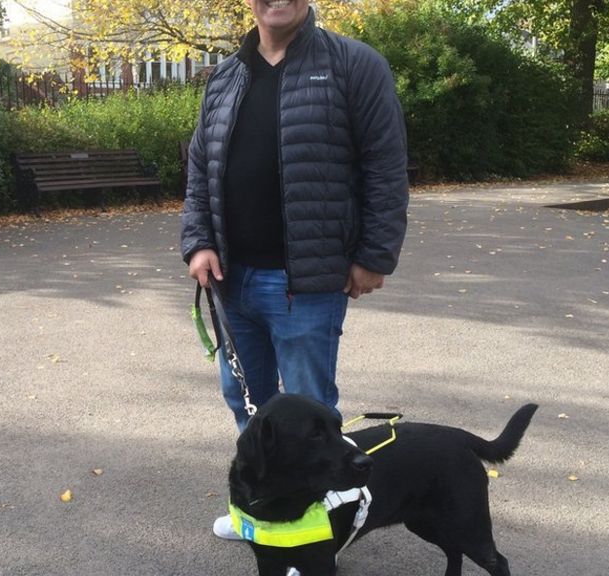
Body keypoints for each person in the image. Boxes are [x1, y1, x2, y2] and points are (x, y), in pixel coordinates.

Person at [180, 0, 409, 540]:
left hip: (306, 283)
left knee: (311, 415)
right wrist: (198, 243)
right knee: (249, 409)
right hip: (232, 281)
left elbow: (385, 163)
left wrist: (375, 255)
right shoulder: (226, 76)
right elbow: (198, 169)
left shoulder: (355, 64)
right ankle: (263, 514)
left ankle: (322, 528)